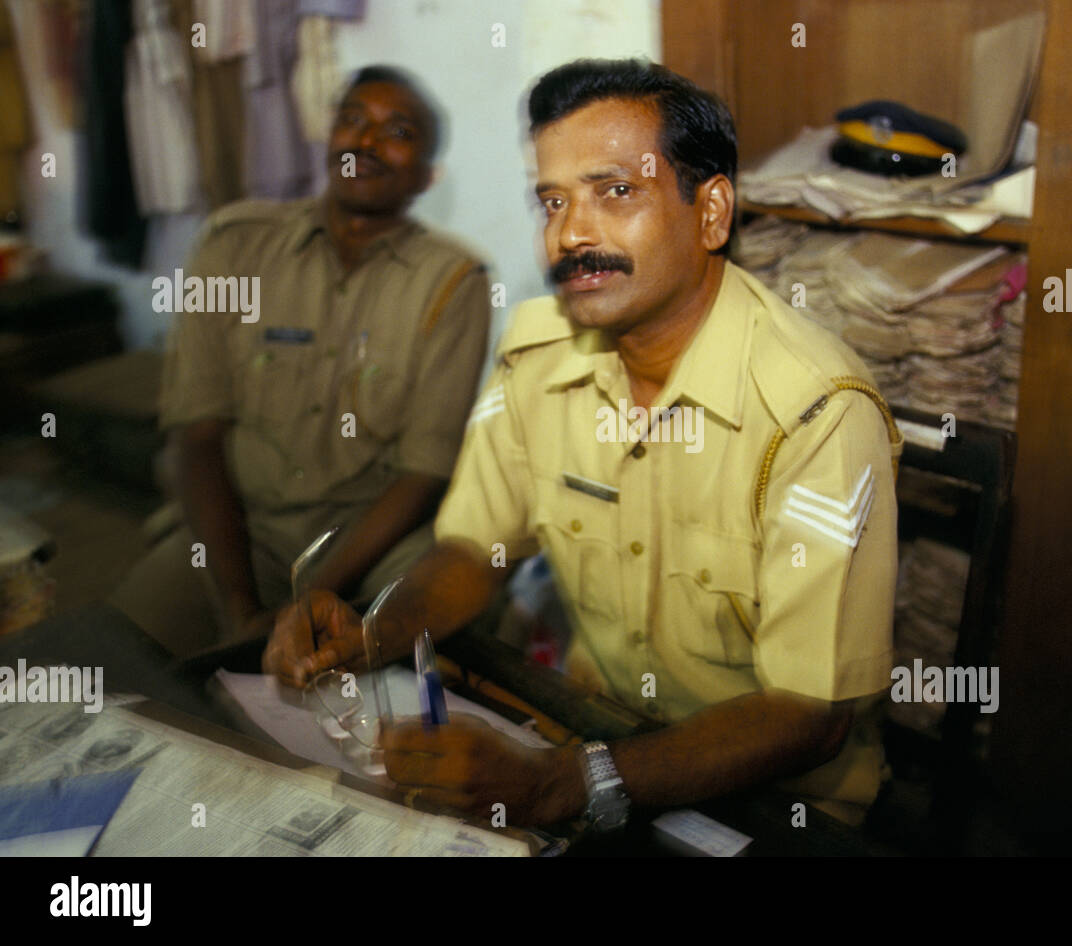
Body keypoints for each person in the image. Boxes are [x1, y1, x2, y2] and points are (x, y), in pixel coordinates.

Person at [265, 59, 900, 829]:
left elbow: (809, 713)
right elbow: (475, 550)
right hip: (587, 731)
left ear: (711, 213)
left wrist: (566, 782)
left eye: (616, 192)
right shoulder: (539, 352)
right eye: (553, 201)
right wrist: (375, 632)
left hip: (773, 804)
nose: (569, 234)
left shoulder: (817, 414)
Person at [111, 66, 491, 659]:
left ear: (425, 176)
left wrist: (306, 601)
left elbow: (423, 473)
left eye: (397, 131)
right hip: (238, 529)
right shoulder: (234, 244)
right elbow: (198, 434)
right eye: (351, 120)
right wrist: (239, 607)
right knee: (120, 665)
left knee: (429, 649)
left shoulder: (453, 283)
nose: (365, 142)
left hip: (368, 543)